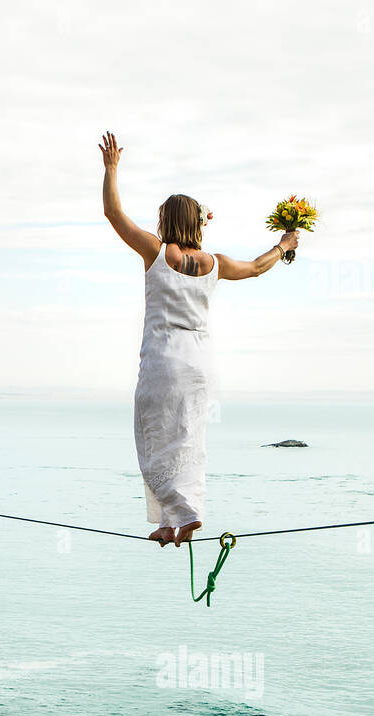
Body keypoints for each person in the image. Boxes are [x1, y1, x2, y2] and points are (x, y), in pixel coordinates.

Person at [99, 132, 299, 547]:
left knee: (153, 440)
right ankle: (174, 524)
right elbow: (258, 267)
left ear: (166, 222)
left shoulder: (157, 253)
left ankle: (184, 513)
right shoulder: (216, 263)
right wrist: (283, 245)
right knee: (188, 444)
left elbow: (114, 214)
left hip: (163, 361)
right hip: (200, 365)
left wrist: (112, 168)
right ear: (198, 223)